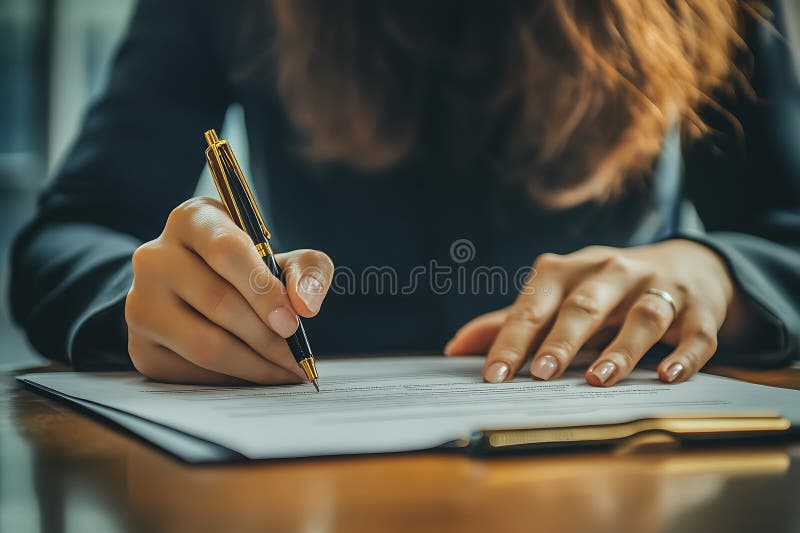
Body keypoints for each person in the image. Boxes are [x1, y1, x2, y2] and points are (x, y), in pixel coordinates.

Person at [11, 0, 800, 387]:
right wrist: (144, 301)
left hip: (619, 445)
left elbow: (785, 227)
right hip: (305, 448)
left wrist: (714, 274)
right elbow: (72, 230)